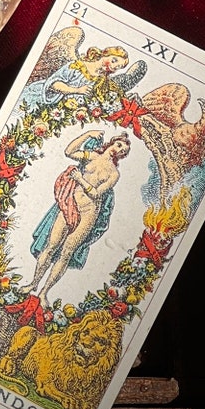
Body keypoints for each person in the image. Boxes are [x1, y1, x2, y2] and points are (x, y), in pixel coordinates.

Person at [27, 130, 131, 305]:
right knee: (51, 246)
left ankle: (44, 292)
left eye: (123, 151)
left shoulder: (114, 174)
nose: (119, 150)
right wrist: (88, 134)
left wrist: (80, 180)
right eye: (119, 145)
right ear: (112, 142)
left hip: (89, 213)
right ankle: (33, 284)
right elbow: (69, 152)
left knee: (66, 252)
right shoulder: (91, 156)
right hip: (71, 205)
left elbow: (97, 193)